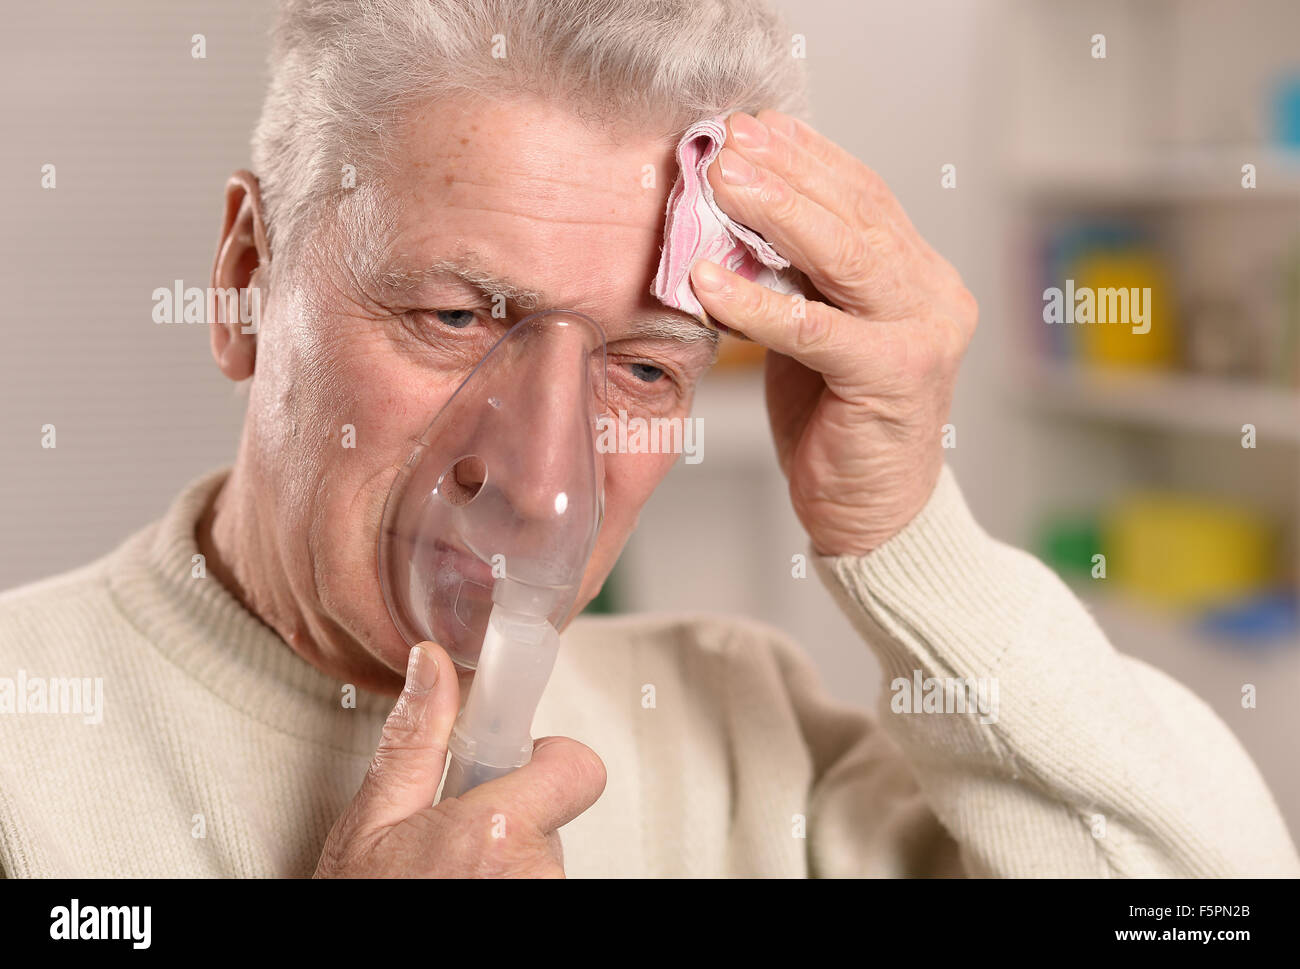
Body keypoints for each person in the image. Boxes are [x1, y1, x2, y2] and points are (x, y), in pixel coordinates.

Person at [0, 0, 1295, 878]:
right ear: (243, 279)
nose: (538, 472)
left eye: (641, 364)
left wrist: (912, 538)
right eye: (454, 314)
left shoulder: (742, 734)